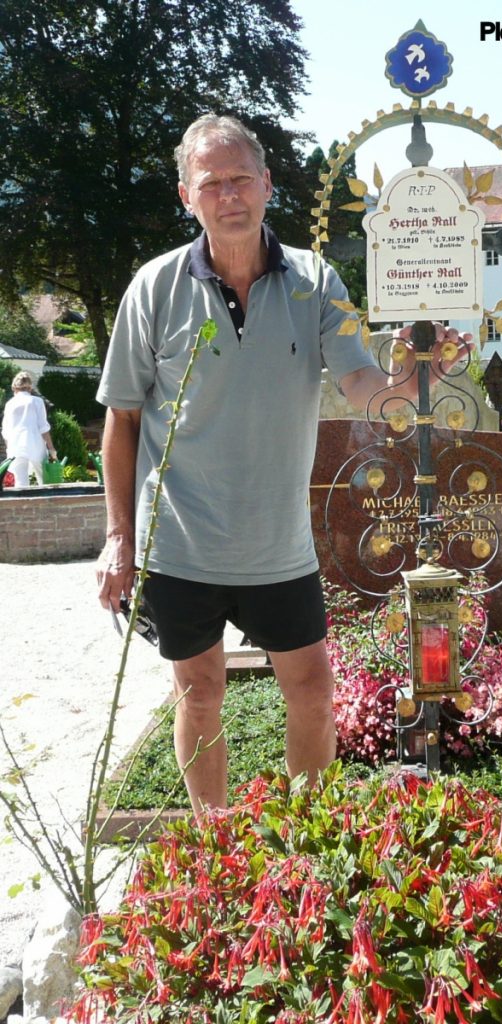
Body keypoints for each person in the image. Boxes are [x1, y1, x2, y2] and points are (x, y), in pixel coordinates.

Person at [95, 113, 470, 815]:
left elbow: (360, 382)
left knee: (311, 691)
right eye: (212, 183)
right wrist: (119, 538)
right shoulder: (153, 287)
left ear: (267, 185)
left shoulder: (315, 280)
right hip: (179, 539)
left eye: (241, 179)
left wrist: (411, 380)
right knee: (198, 692)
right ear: (187, 195)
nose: (229, 195)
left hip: (278, 543)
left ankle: (307, 841)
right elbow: (121, 420)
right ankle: (215, 838)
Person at [1, 372, 57, 488]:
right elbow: (43, 427)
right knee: (44, 480)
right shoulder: (37, 401)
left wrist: (9, 448)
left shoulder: (10, 404)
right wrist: (51, 448)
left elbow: (5, 431)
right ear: (30, 388)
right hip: (35, 444)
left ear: (14, 388)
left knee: (21, 483)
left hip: (16, 445)